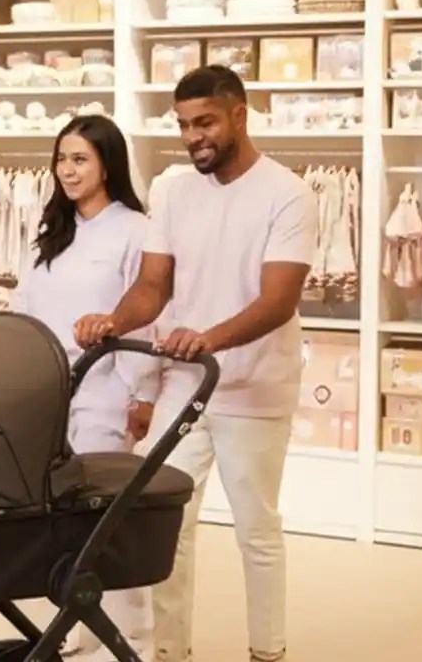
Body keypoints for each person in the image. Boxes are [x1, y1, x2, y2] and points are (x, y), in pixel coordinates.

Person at [74, 65, 318, 662]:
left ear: (240, 113)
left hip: (254, 387)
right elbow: (154, 285)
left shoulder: (288, 194)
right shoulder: (172, 189)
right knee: (166, 526)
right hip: (186, 386)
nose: (193, 136)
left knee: (255, 530)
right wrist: (115, 319)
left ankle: (268, 651)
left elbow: (277, 300)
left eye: (205, 121)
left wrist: (207, 337)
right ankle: (169, 653)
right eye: (183, 125)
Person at [10, 114, 162, 659]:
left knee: (108, 521)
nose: (67, 170)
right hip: (49, 394)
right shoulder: (54, 230)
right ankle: (79, 627)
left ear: (107, 164)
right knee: (65, 520)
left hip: (105, 392)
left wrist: (143, 394)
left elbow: (146, 317)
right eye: (61, 159)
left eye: (80, 159)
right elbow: (25, 304)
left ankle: (133, 639)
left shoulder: (136, 230)